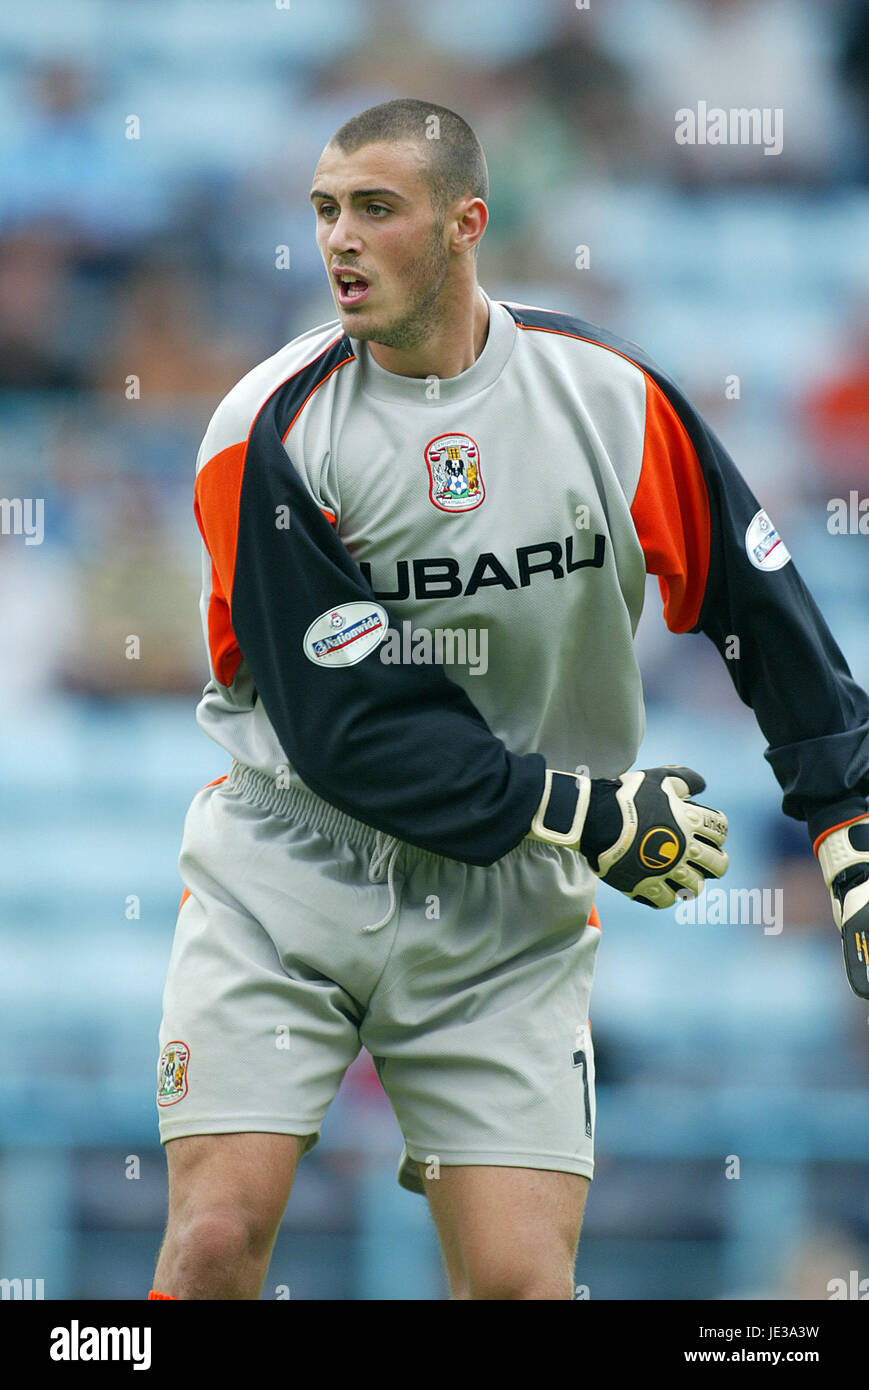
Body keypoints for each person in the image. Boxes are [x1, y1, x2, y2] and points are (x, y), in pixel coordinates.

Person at [149, 98, 869, 1302]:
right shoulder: (264, 431)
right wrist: (583, 807)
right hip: (289, 862)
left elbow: (761, 609)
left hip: (507, 896)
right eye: (324, 210)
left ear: (465, 223)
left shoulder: (611, 398)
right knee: (216, 1240)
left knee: (521, 1286)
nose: (339, 239)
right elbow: (349, 732)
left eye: (375, 208)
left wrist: (845, 813)